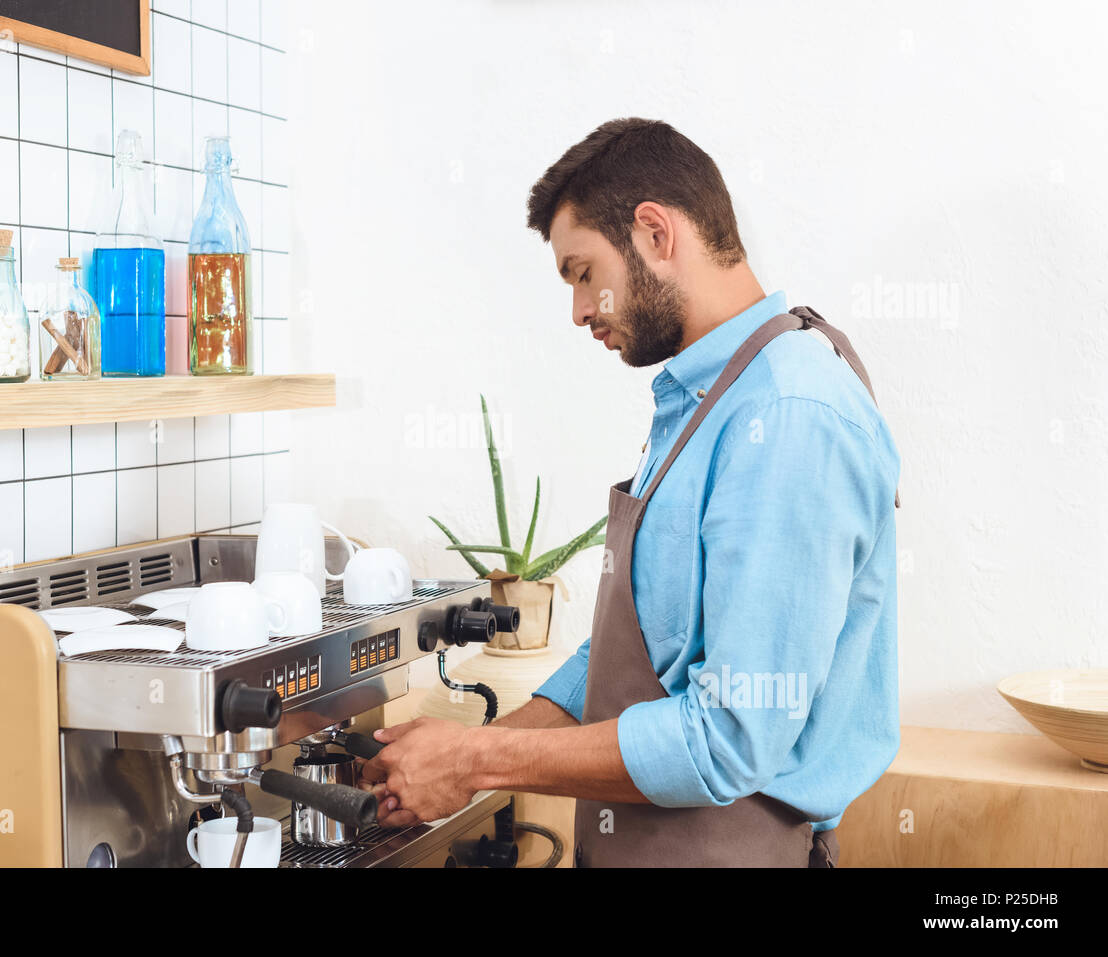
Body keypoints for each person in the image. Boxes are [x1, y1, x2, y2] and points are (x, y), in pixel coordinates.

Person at [360, 117, 901, 867]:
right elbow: (630, 654)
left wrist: (475, 764)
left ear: (654, 233)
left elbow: (730, 738)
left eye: (582, 272)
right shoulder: (704, 400)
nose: (580, 310)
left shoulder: (785, 415)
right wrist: (471, 752)